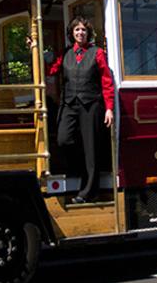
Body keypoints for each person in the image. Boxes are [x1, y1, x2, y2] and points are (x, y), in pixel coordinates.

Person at [30, 16, 114, 203]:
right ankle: (80, 170)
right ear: (72, 33)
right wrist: (35, 51)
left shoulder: (97, 53)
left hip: (91, 105)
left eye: (83, 30)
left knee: (91, 148)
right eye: (77, 30)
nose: (80, 33)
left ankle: (89, 192)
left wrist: (109, 108)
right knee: (63, 139)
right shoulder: (66, 54)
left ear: (88, 33)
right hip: (69, 104)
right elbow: (49, 70)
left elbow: (106, 81)